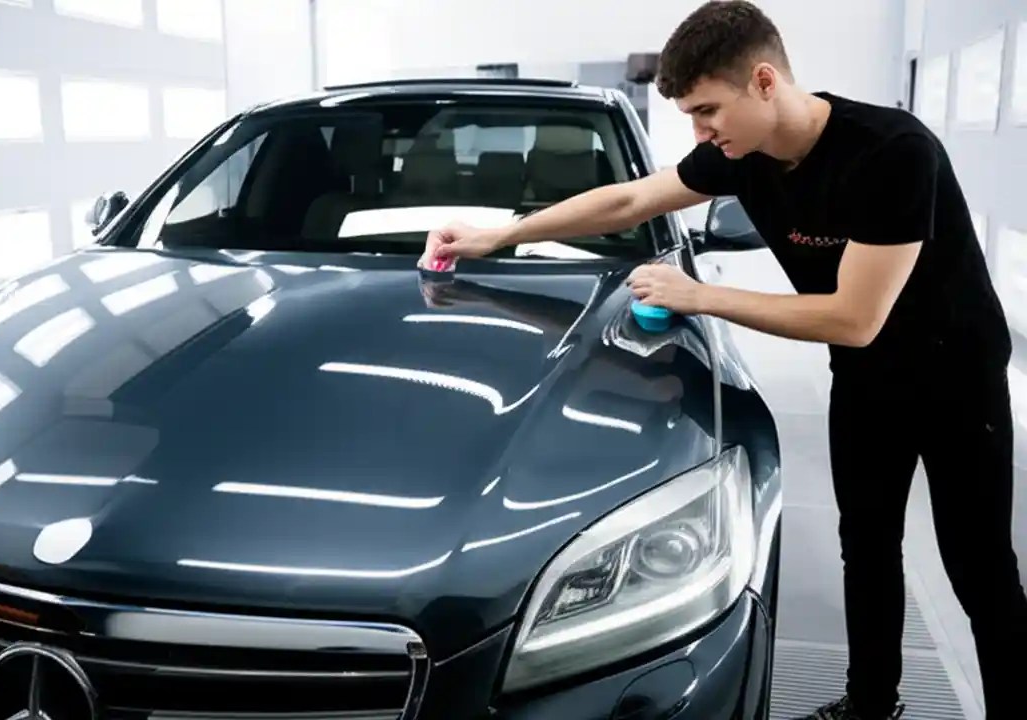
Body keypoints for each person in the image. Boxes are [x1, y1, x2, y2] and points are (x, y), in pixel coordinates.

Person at [419, 2, 1027, 719]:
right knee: (865, 545)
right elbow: (631, 197)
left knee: (978, 567)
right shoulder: (744, 153)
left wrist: (700, 296)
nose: (700, 133)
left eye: (707, 111)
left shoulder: (893, 152)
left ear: (764, 82)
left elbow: (854, 318)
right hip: (868, 380)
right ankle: (869, 707)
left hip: (954, 375)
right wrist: (503, 236)